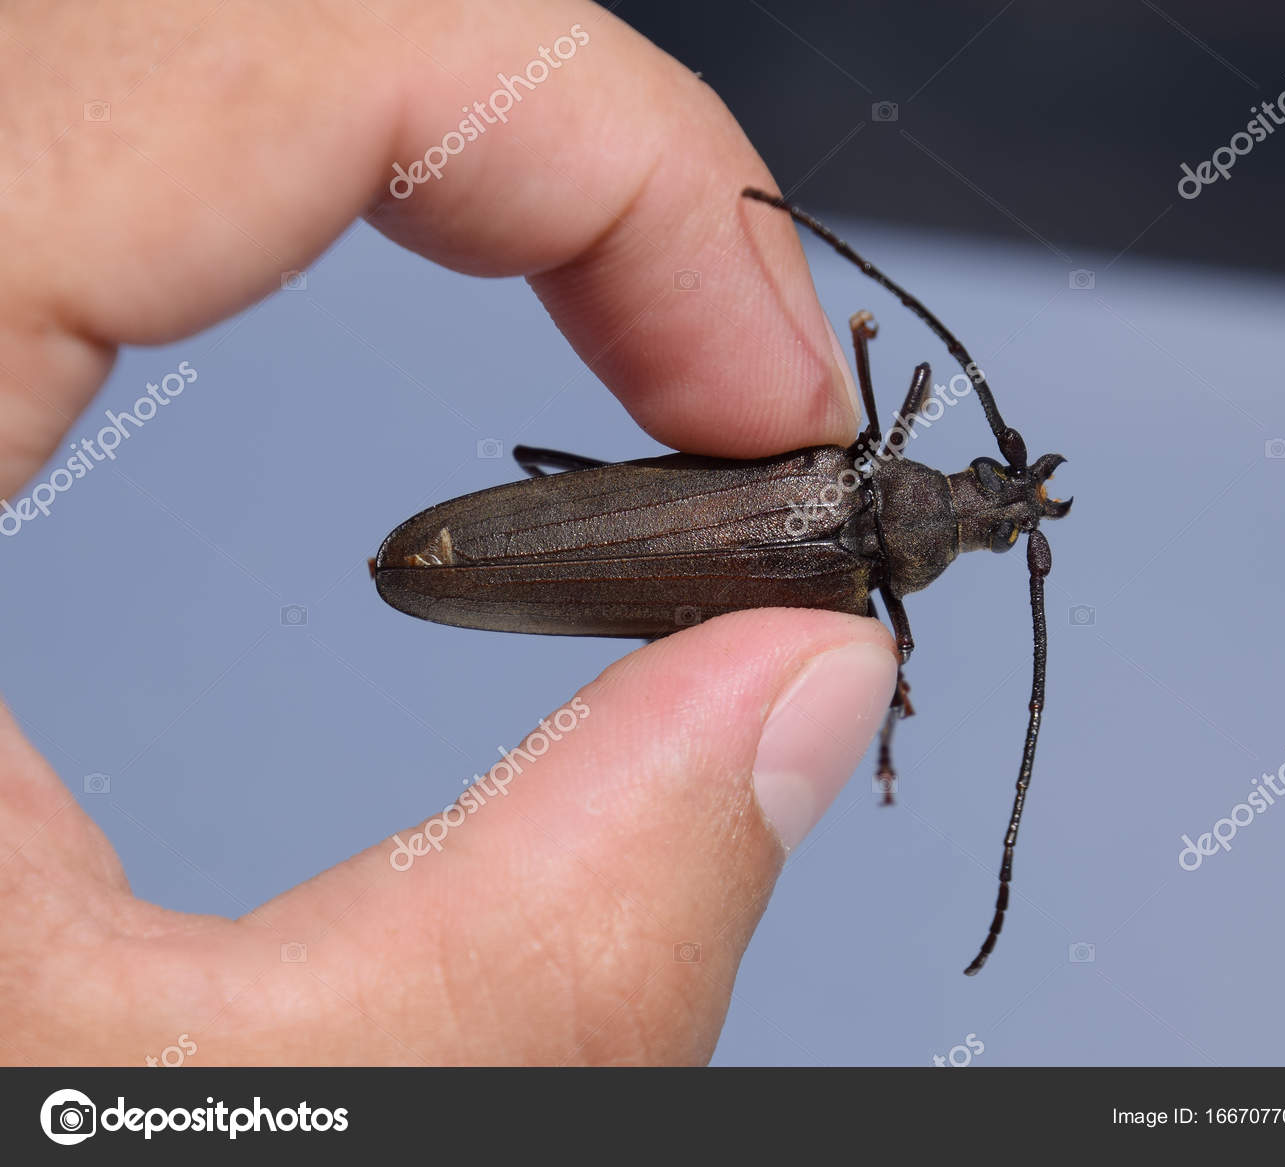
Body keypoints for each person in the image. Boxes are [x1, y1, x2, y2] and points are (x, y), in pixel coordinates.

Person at [0, 0, 897, 1065]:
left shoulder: (842, 484)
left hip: (465, 557)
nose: (987, 493)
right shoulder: (846, 589)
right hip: (459, 553)